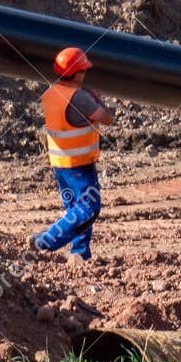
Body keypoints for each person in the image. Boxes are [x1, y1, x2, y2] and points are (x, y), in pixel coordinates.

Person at [29, 46, 113, 262]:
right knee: (88, 209)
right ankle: (45, 241)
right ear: (77, 73)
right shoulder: (80, 98)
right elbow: (107, 118)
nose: (85, 74)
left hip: (60, 163)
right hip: (79, 165)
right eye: (83, 70)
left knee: (75, 211)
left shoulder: (51, 94)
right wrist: (97, 99)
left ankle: (80, 254)